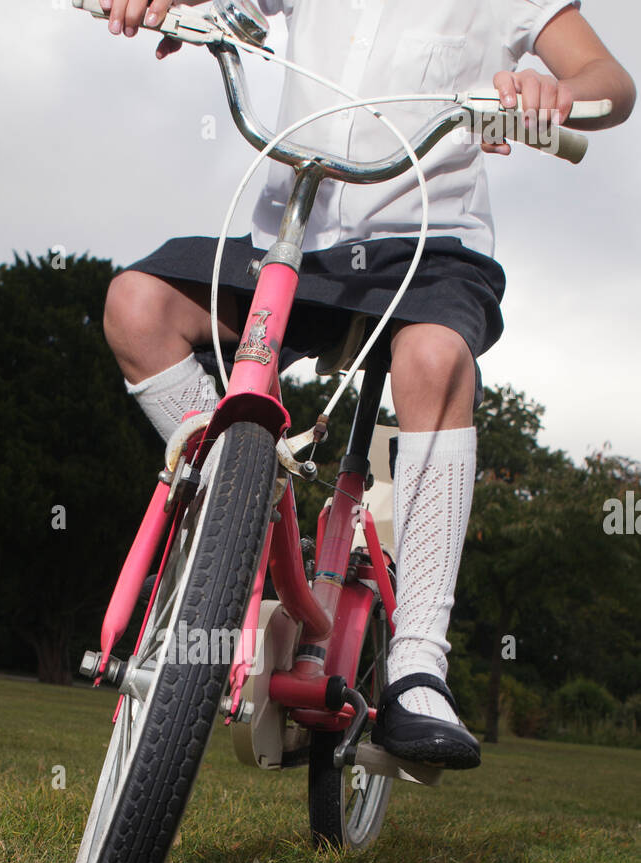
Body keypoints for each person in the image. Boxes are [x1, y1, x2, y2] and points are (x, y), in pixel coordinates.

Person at [97, 0, 635, 766]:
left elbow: (610, 81)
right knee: (136, 304)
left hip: (426, 247)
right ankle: (237, 520)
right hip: (295, 235)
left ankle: (418, 664)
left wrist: (553, 93)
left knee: (434, 358)